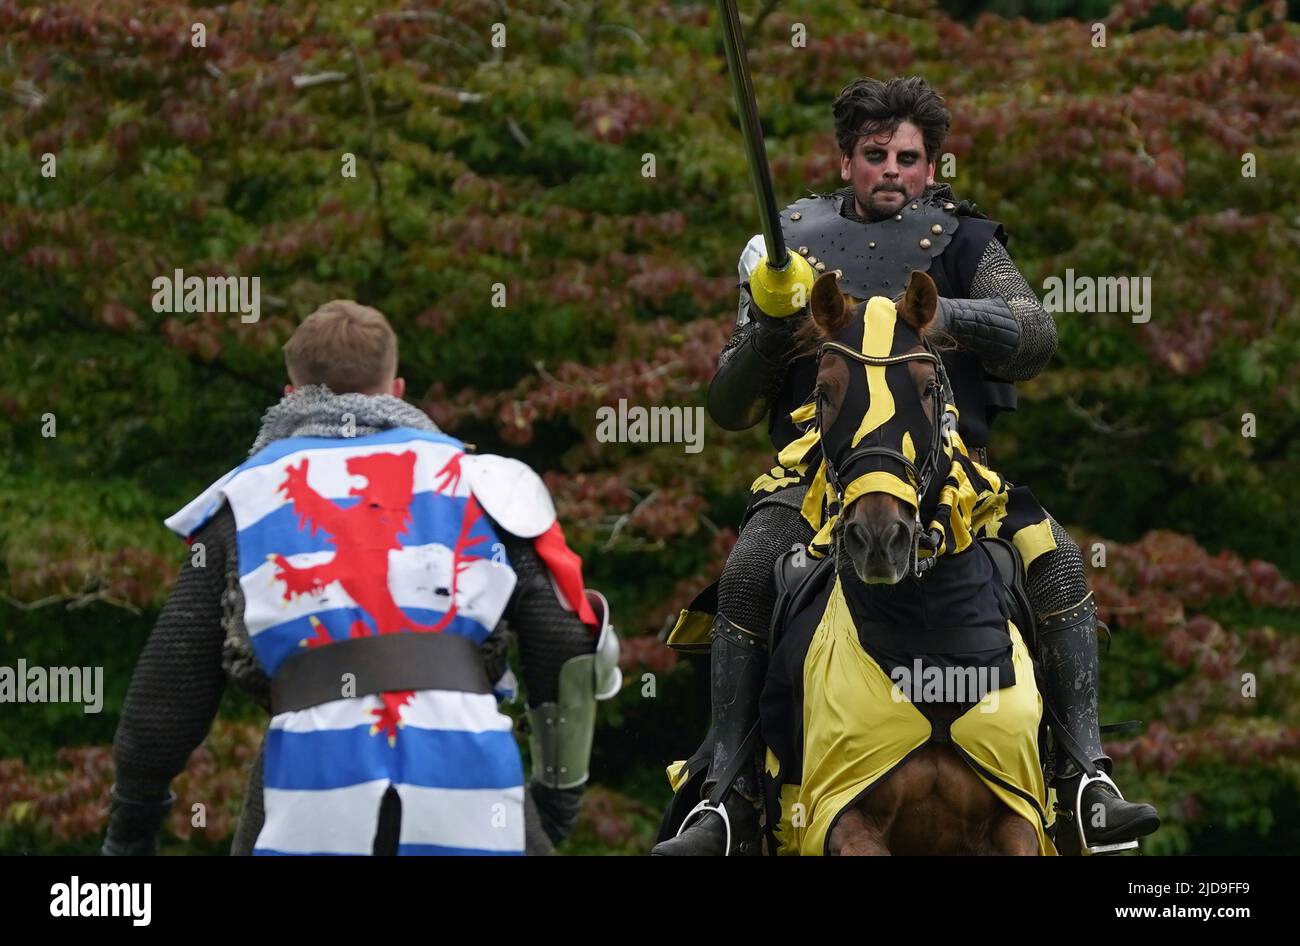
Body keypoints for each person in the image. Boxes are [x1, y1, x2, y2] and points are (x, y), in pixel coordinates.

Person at [654, 76, 1158, 856]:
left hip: (954, 475)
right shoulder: (790, 248)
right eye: (875, 154)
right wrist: (768, 327)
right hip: (819, 477)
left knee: (1055, 558)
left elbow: (1034, 334)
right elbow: (728, 405)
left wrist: (940, 314)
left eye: (910, 157)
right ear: (846, 159)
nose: (892, 169)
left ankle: (1084, 777)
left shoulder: (963, 243)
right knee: (752, 567)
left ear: (933, 165)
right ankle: (727, 794)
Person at [102, 300, 619, 856]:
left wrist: (129, 833)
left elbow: (169, 688)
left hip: (309, 790)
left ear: (290, 395)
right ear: (397, 390)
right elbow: (565, 643)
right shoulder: (482, 484)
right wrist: (556, 800)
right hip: (469, 781)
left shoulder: (244, 502)